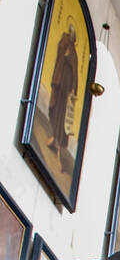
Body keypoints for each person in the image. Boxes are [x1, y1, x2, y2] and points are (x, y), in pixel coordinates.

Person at [46, 19, 78, 158]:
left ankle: (58, 142)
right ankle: (54, 137)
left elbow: (75, 72)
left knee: (62, 116)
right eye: (69, 32)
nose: (70, 35)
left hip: (66, 89)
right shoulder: (64, 43)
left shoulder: (75, 54)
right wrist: (64, 52)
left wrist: (69, 57)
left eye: (72, 34)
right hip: (59, 85)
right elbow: (60, 53)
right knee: (54, 109)